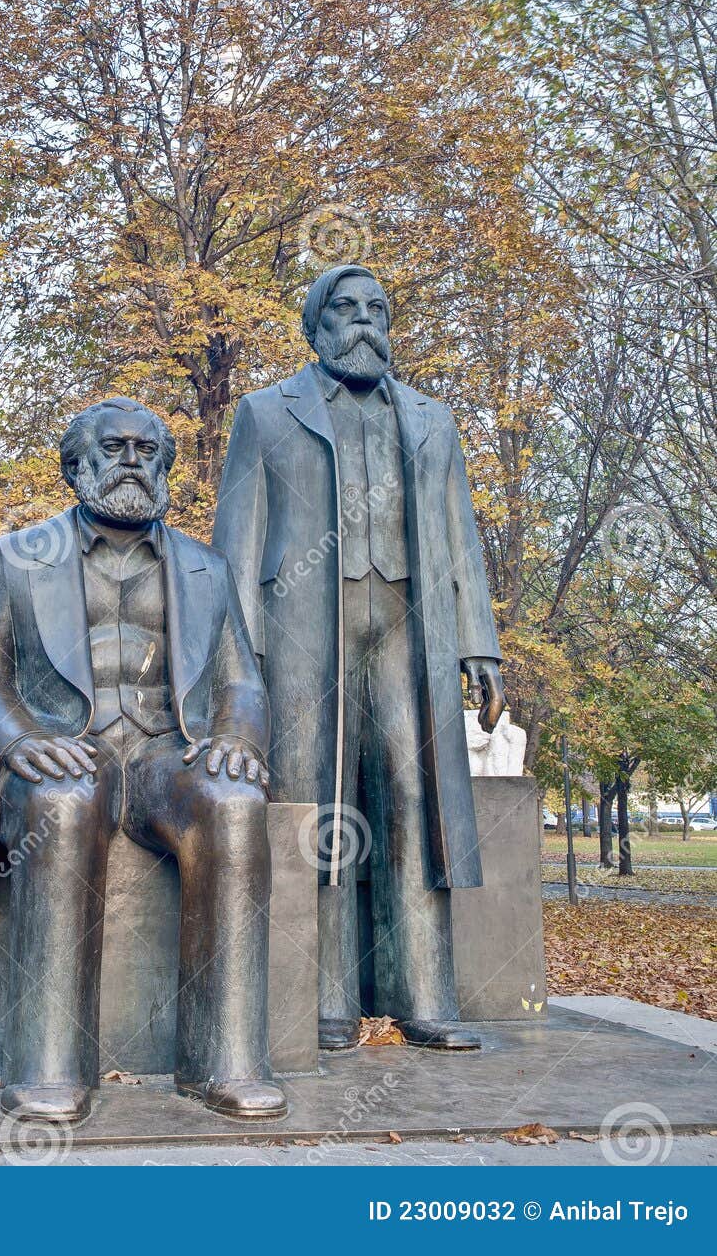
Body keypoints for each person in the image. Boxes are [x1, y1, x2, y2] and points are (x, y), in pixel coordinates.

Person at [0, 396, 287, 1124]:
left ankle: (224, 1063)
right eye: (114, 448)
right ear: (76, 465)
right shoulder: (18, 555)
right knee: (62, 795)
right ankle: (48, 1067)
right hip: (71, 747)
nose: (132, 461)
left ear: (165, 467)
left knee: (233, 800)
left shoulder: (206, 566)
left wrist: (237, 739)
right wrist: (20, 742)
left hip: (168, 754)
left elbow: (240, 681)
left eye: (147, 450)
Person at [214, 265, 505, 1050]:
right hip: (302, 625)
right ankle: (323, 997)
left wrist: (478, 643)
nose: (364, 321)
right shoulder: (265, 412)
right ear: (313, 327)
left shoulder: (431, 419)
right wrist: (233, 659)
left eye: (376, 309)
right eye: (344, 309)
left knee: (414, 795)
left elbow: (458, 533)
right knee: (315, 798)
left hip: (411, 627)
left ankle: (424, 997)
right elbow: (236, 542)